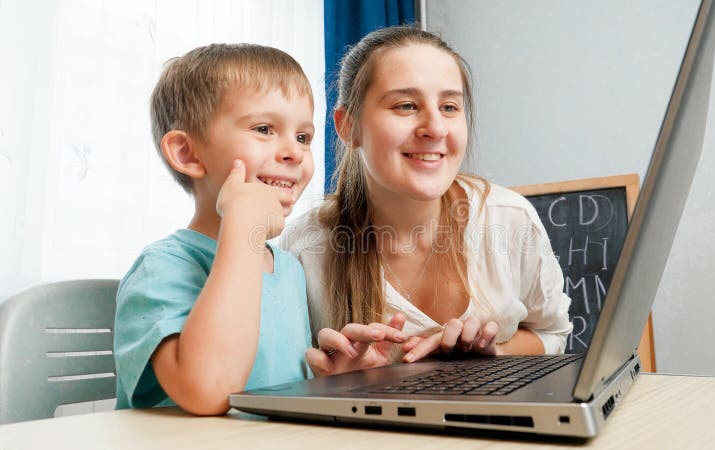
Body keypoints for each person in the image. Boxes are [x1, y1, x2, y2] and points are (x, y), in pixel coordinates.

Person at [113, 44, 404, 416]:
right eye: (264, 129)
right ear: (188, 154)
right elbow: (210, 392)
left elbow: (269, 401)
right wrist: (245, 225)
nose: (295, 152)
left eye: (303, 137)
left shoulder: (289, 269)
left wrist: (334, 379)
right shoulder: (161, 268)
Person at [281, 26, 573, 376]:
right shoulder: (304, 249)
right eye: (406, 105)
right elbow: (289, 380)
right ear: (348, 127)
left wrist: (494, 354)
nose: (435, 128)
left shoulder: (509, 219)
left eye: (449, 106)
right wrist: (334, 381)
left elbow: (552, 333)